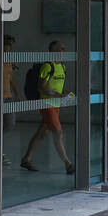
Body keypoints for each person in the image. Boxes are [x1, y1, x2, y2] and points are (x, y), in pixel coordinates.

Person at [21, 40, 75, 175]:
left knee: (42, 133)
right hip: (47, 104)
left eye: (64, 49)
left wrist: (66, 93)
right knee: (58, 132)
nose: (64, 51)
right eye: (61, 49)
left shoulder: (62, 67)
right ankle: (68, 164)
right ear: (53, 52)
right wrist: (58, 95)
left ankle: (26, 159)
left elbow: (59, 86)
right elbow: (42, 87)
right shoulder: (48, 66)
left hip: (55, 104)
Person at [2, 34, 20, 166]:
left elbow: (10, 78)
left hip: (7, 96)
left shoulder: (8, 60)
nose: (10, 48)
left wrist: (16, 92)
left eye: (11, 46)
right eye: (8, 45)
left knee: (10, 123)